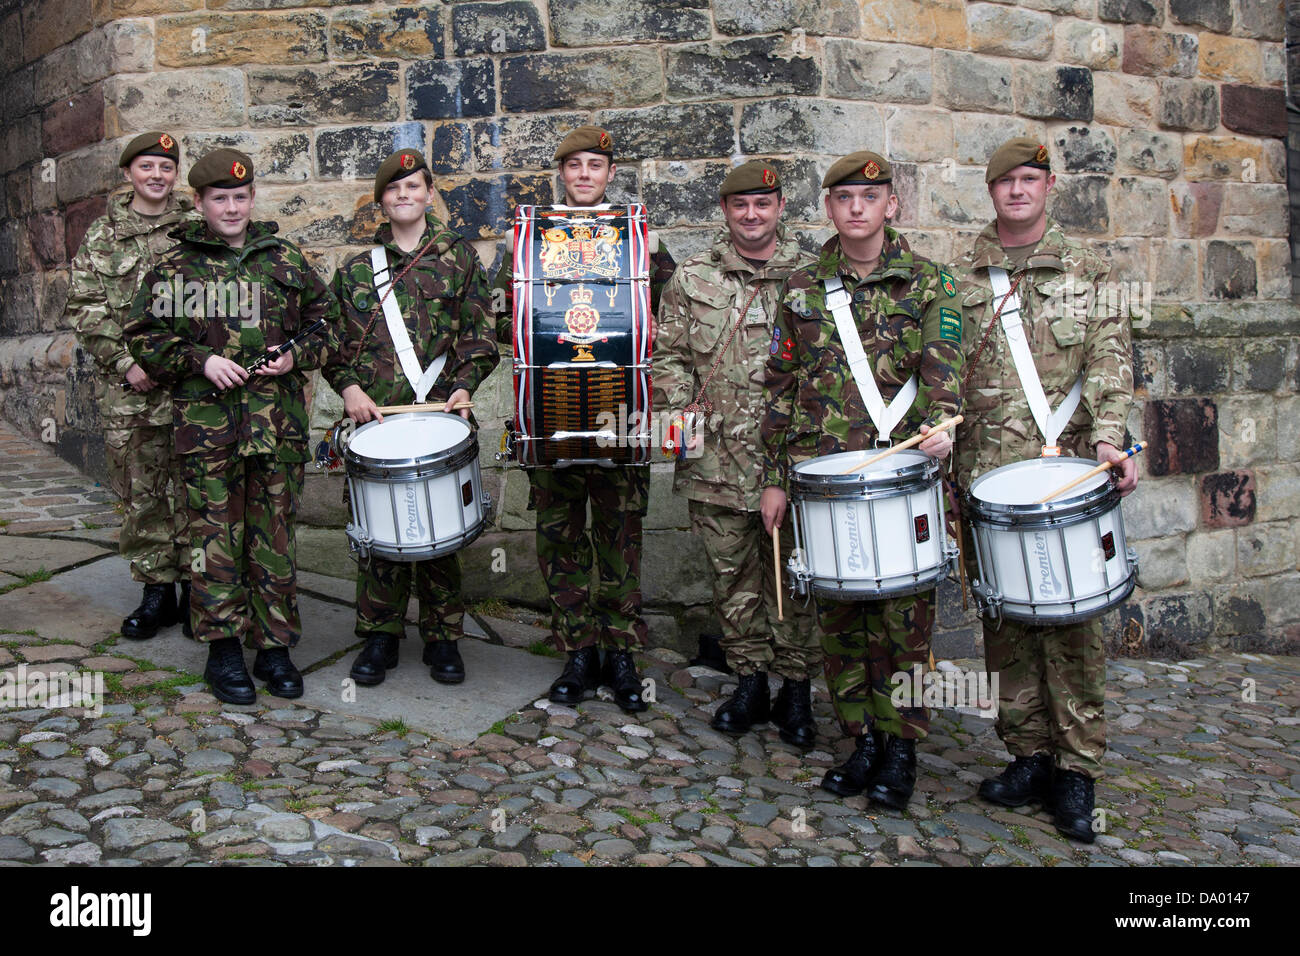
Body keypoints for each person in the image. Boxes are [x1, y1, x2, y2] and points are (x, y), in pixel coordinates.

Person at [759, 151, 963, 809]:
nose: (856, 208)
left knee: (905, 623)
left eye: (869, 197)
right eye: (843, 197)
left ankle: (900, 748)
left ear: (890, 205)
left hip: (902, 478)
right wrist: (774, 479)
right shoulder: (801, 288)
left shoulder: (931, 284)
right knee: (842, 620)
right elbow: (779, 392)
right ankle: (860, 742)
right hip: (825, 484)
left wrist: (943, 428)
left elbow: (945, 379)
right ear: (829, 208)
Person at [952, 136, 1136, 843]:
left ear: (1049, 186)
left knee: (1075, 626)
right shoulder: (961, 280)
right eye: (1007, 182)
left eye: (1031, 179)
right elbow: (942, 375)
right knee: (1004, 623)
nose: (1018, 191)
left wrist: (1112, 437)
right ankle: (1027, 753)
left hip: (1066, 479)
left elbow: (1112, 360)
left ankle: (1077, 771)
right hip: (988, 480)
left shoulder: (1092, 270)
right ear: (992, 192)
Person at [127, 148, 339, 704]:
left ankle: (274, 649)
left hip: (276, 427)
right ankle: (222, 652)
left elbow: (328, 326)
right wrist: (201, 361)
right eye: (219, 198)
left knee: (273, 539)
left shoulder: (286, 260)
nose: (231, 207)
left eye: (240, 197)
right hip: (207, 431)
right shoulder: (175, 268)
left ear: (252, 199)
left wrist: (296, 358)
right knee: (214, 540)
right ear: (198, 203)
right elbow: (143, 337)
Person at [492, 126, 675, 713]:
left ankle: (621, 653)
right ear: (562, 174)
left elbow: (670, 316)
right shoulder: (526, 241)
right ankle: (576, 651)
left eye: (596, 165)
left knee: (620, 537)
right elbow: (504, 318)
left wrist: (649, 266)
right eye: (575, 166)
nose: (585, 175)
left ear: (610, 174)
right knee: (561, 538)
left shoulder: (640, 239)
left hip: (619, 411)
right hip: (552, 412)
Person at [654, 161, 820, 746]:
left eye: (763, 204)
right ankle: (749, 680)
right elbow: (668, 353)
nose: (752, 215)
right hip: (717, 461)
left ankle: (795, 688)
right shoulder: (692, 278)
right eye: (739, 205)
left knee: (793, 579)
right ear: (724, 211)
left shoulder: (814, 274)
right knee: (734, 579)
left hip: (795, 462)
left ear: (780, 208)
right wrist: (678, 407)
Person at [324, 148, 498, 687]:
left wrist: (465, 387)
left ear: (428, 194)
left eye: (414, 186)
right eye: (393, 188)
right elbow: (329, 341)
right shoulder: (355, 271)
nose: (404, 195)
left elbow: (480, 334)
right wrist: (349, 388)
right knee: (382, 530)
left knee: (440, 531)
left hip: (438, 414)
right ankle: (380, 636)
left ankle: (444, 638)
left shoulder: (458, 257)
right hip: (377, 417)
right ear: (380, 200)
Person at [67, 131, 196, 640]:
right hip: (131, 392)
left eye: (166, 167)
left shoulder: (195, 226)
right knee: (142, 494)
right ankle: (155, 591)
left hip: (190, 390)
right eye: (147, 167)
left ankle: (194, 590)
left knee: (194, 491)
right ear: (128, 174)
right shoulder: (103, 236)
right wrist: (125, 363)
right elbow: (84, 306)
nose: (157, 176)